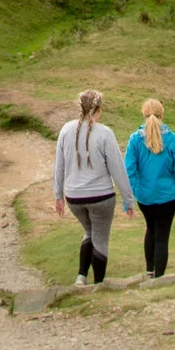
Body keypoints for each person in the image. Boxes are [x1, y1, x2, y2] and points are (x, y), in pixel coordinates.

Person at [51, 87, 129, 284]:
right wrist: (128, 199)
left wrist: (58, 195)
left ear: (80, 107)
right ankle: (98, 285)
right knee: (100, 238)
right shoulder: (105, 133)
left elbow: (58, 165)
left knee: (89, 232)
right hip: (101, 197)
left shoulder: (65, 130)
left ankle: (81, 277)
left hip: (74, 198)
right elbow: (117, 169)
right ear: (99, 109)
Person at [121, 96, 175, 280]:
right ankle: (159, 277)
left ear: (143, 115)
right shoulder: (171, 138)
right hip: (167, 196)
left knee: (150, 229)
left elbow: (128, 170)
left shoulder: (135, 139)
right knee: (162, 234)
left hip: (144, 196)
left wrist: (128, 199)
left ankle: (149, 271)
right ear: (162, 114)